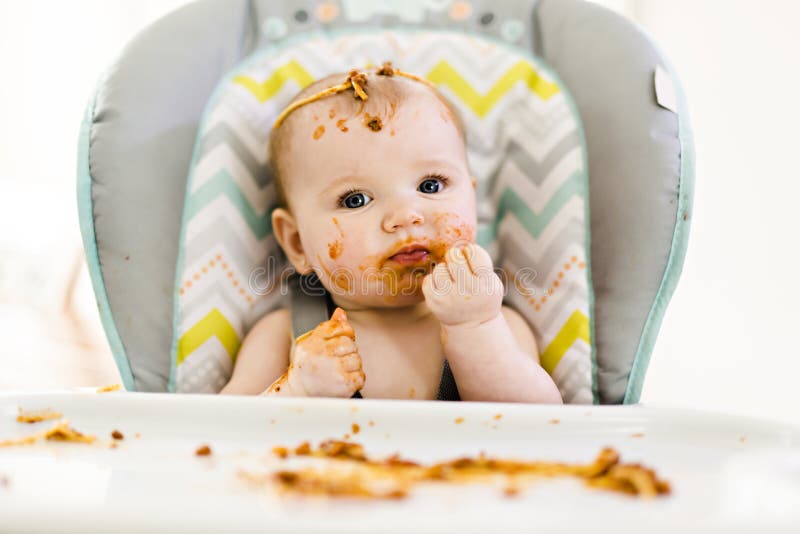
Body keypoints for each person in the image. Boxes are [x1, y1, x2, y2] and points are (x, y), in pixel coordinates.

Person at [220, 63, 562, 403]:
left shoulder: (496, 323)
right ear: (297, 243)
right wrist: (296, 391)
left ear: (472, 199)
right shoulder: (286, 335)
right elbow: (219, 428)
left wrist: (476, 332)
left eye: (431, 185)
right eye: (355, 200)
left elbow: (544, 421)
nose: (406, 216)